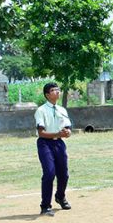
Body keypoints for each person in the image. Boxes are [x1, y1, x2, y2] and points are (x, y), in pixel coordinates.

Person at [34, 82, 72, 216]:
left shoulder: (62, 110)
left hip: (59, 144)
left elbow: (67, 127)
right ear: (47, 94)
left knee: (64, 174)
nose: (57, 92)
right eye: (53, 90)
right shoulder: (41, 110)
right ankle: (45, 206)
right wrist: (57, 134)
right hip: (45, 144)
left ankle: (60, 196)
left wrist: (67, 132)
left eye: (58, 90)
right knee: (49, 173)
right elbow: (41, 133)